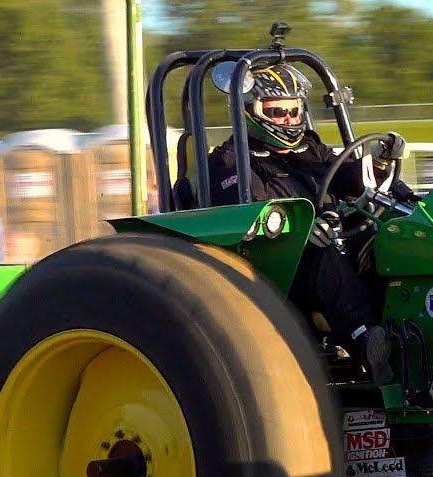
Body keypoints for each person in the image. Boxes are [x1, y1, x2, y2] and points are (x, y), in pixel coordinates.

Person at [177, 62, 418, 385]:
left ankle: (414, 335)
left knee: (386, 237)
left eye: (293, 111)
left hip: (333, 246)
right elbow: (251, 218)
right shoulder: (229, 161)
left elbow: (348, 176)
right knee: (321, 259)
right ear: (251, 111)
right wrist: (302, 231)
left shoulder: (311, 150)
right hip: (275, 271)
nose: (288, 120)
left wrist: (379, 162)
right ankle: (369, 343)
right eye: (277, 112)